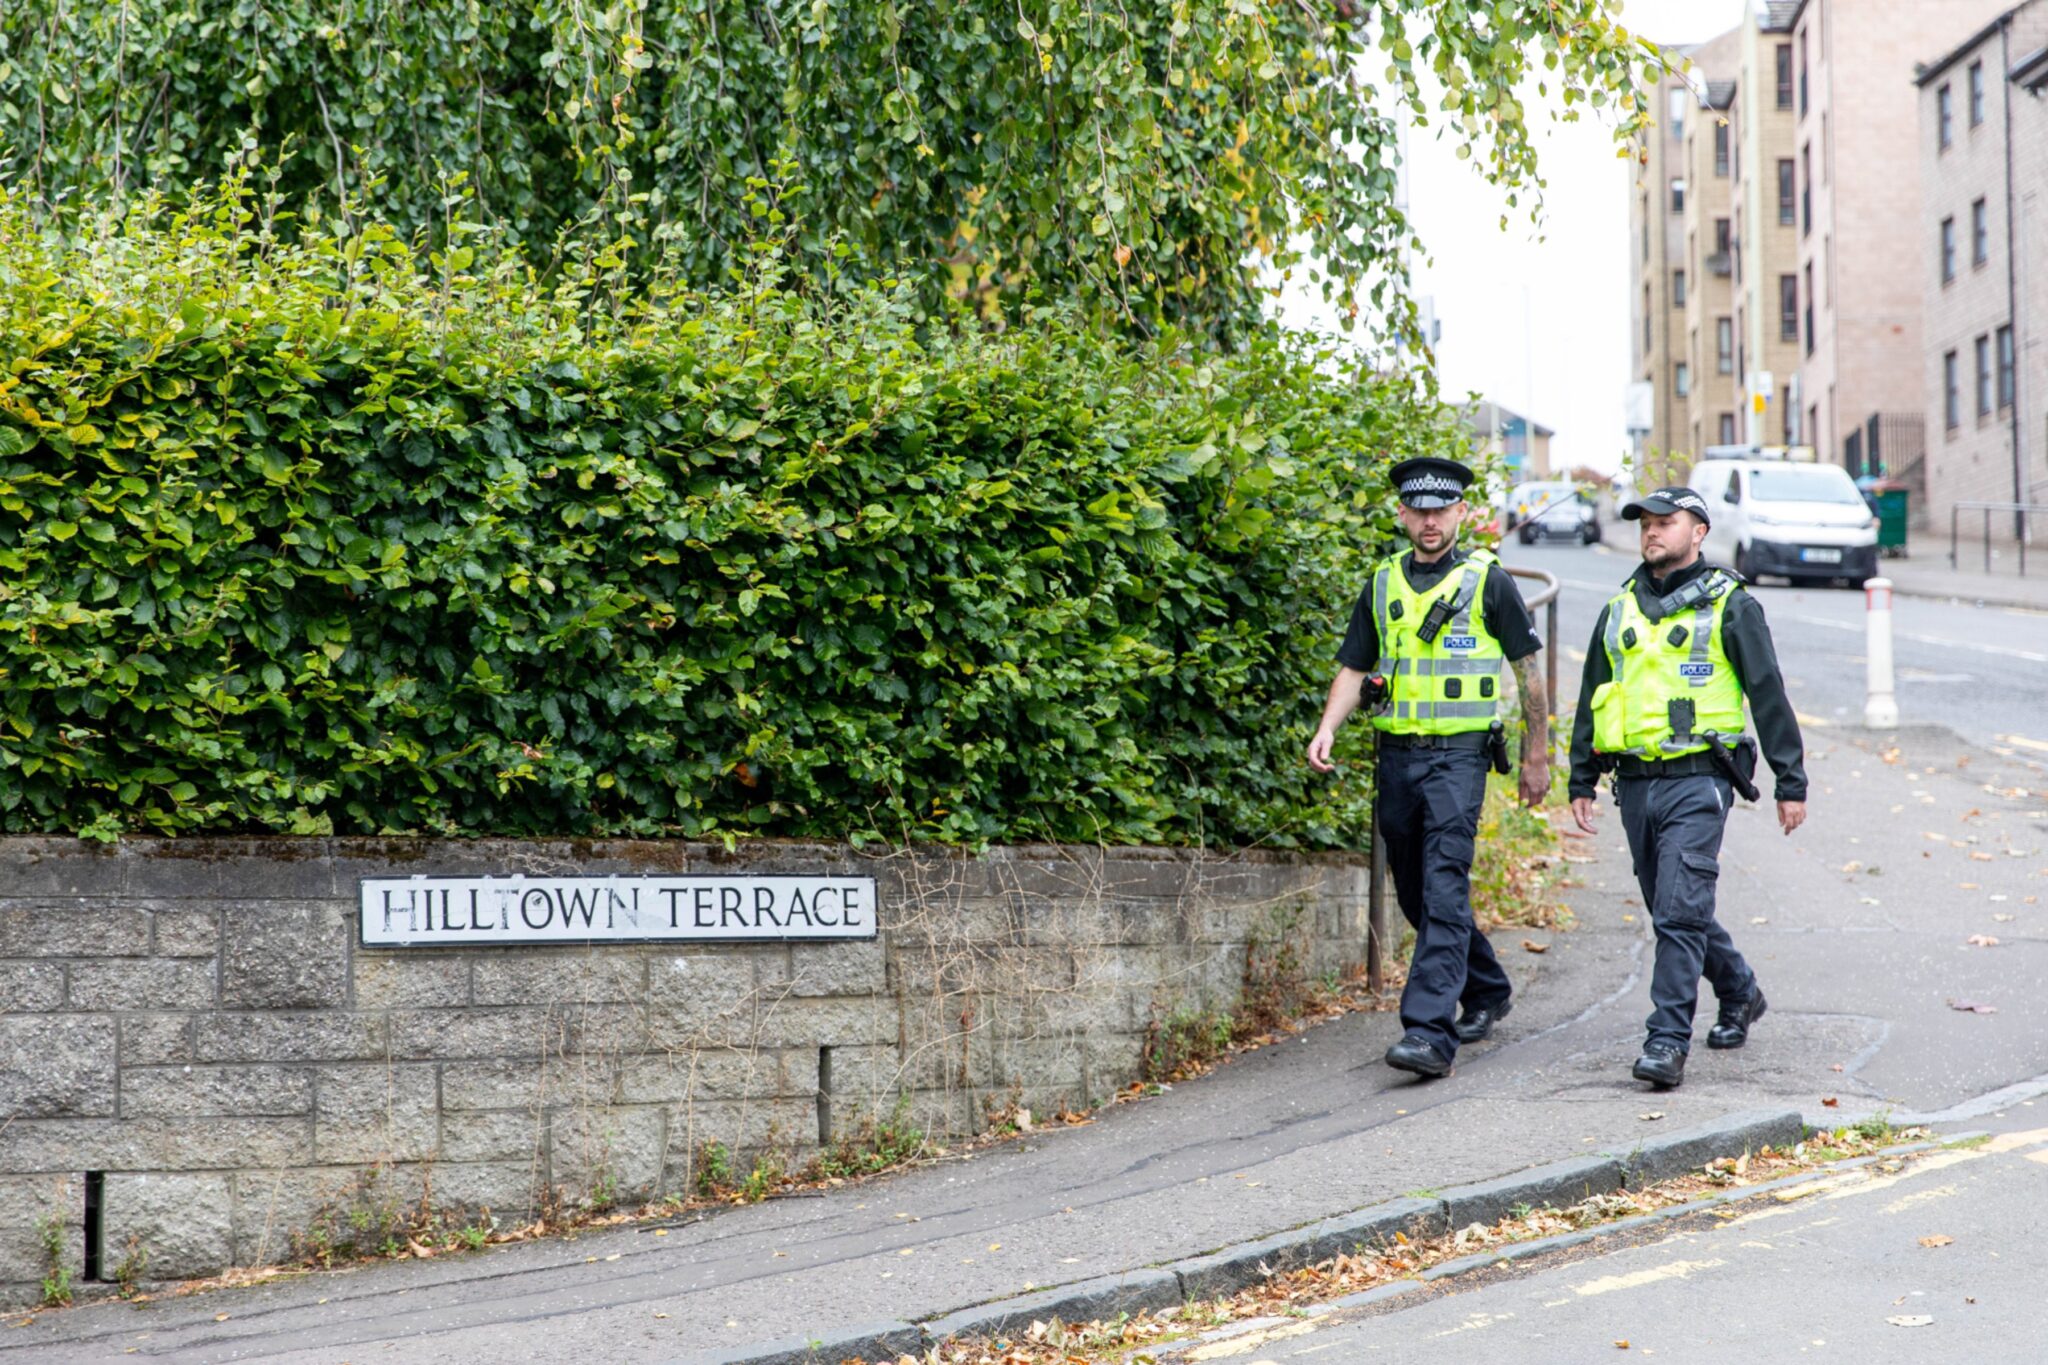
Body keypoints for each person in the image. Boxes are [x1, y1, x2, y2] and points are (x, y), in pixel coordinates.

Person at [1308, 455, 1550, 1079]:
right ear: (1402, 515)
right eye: (1418, 510)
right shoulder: (1383, 583)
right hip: (1397, 758)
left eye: (1441, 509)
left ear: (1461, 514)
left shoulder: (1487, 582)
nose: (1430, 520)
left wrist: (1536, 757)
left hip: (1461, 757)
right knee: (1416, 894)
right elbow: (1356, 666)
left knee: (1444, 884)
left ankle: (1428, 1033)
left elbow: (1530, 675)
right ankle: (1488, 987)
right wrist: (1328, 727)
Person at [1566, 486, 1807, 1090]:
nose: (1651, 531)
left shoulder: (1732, 604)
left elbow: (1768, 692)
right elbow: (1593, 696)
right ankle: (1739, 990)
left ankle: (1666, 1040)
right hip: (1637, 783)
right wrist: (1581, 778)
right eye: (1645, 523)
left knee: (1678, 912)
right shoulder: (1618, 608)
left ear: (1698, 531)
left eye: (1665, 522)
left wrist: (1790, 780)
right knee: (1672, 907)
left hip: (1702, 778)